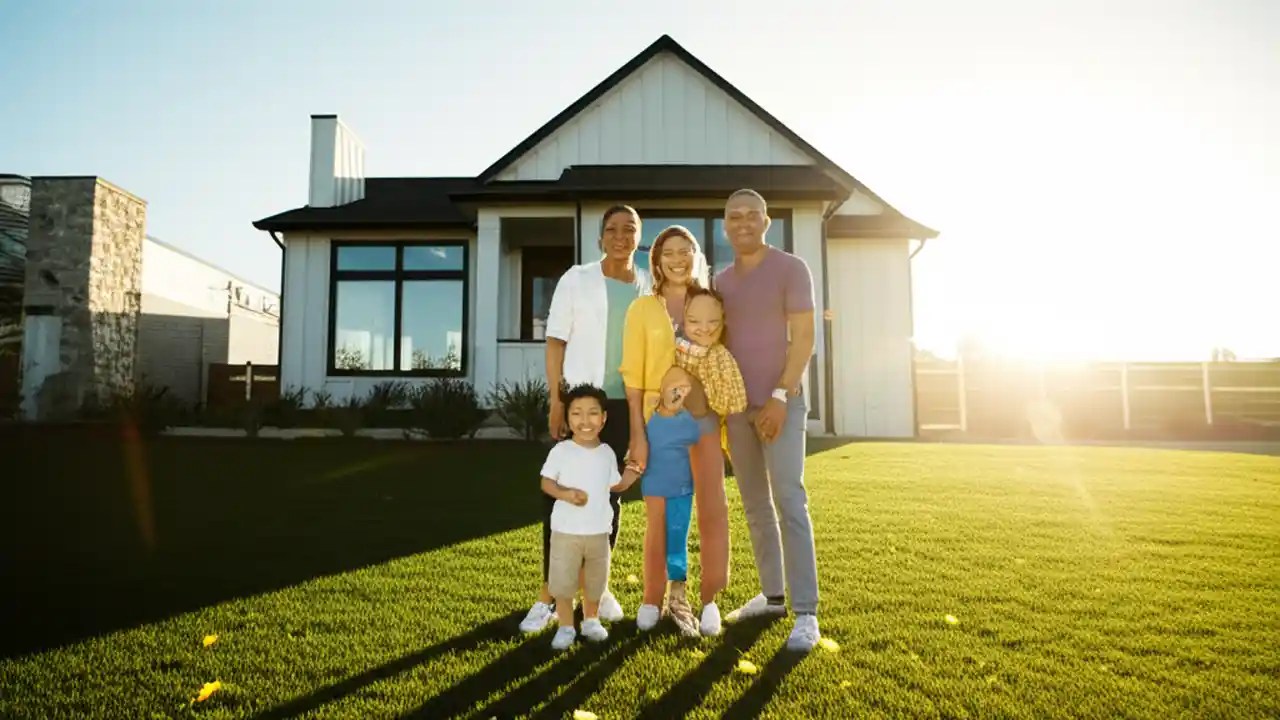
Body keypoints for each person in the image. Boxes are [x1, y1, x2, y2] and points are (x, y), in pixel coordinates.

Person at [520, 205, 648, 634]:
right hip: (579, 400)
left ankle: (598, 586)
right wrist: (557, 401)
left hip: (625, 402)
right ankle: (550, 598)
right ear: (600, 238)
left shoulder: (648, 286)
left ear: (638, 237)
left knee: (608, 496)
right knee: (562, 499)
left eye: (629, 229)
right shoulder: (577, 278)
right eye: (612, 229)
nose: (620, 236)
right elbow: (555, 340)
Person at [715, 188, 823, 651]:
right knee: (756, 505)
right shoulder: (719, 282)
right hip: (737, 410)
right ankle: (774, 596)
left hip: (781, 401)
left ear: (766, 221)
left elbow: (803, 338)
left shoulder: (791, 268)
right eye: (734, 217)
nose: (743, 223)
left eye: (751, 216)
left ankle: (806, 613)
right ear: (725, 226)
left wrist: (781, 395)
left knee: (789, 500)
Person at [620, 225, 734, 636]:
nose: (678, 258)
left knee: (711, 508)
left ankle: (706, 600)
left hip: (704, 419)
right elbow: (632, 376)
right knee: (660, 513)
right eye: (669, 251)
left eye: (686, 250)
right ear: (656, 259)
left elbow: (724, 360)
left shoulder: (710, 302)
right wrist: (637, 430)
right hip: (659, 421)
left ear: (696, 255)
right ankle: (654, 595)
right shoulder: (642, 310)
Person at [612, 366, 703, 636]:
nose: (679, 391)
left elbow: (707, 450)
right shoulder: (649, 419)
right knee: (655, 536)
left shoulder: (690, 422)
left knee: (677, 537)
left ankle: (677, 595)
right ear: (661, 389)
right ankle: (651, 599)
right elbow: (636, 452)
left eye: (685, 388)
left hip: (682, 489)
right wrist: (623, 481)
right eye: (674, 385)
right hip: (654, 487)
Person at [540, 383, 620, 651]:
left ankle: (591, 620)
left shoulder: (607, 452)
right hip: (566, 532)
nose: (585, 421)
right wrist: (566, 494)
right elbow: (546, 483)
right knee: (563, 581)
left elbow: (614, 485)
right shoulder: (561, 451)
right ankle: (565, 626)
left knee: (596, 580)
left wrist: (635, 469)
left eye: (592, 413)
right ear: (568, 418)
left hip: (598, 531)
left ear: (604, 418)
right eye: (576, 413)